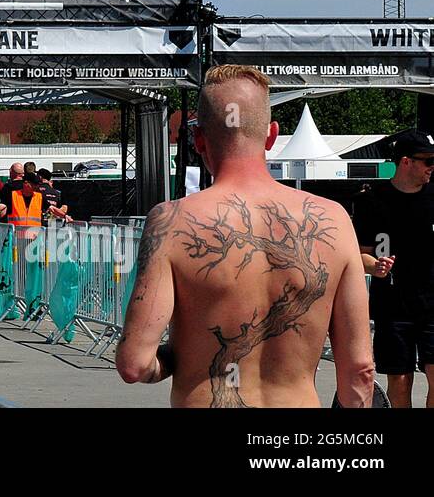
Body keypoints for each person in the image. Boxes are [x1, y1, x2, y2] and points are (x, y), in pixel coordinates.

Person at [115, 65, 374, 407]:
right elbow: (359, 369)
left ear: (198, 140)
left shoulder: (172, 222)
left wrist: (183, 355)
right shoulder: (334, 219)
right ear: (271, 135)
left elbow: (135, 364)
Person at [351, 127, 434, 408]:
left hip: (433, 301)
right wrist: (375, 267)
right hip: (393, 304)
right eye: (428, 161)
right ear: (405, 161)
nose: (432, 167)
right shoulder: (371, 199)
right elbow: (360, 254)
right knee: (399, 381)